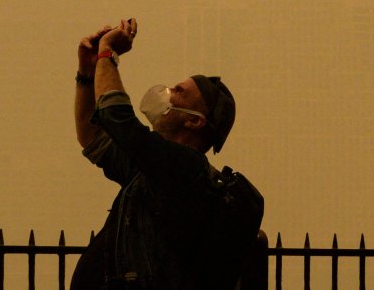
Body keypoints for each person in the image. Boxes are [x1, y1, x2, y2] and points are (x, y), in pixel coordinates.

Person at [70, 18, 263, 290]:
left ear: (195, 121)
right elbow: (93, 138)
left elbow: (116, 117)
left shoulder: (185, 169)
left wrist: (108, 55)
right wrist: (87, 73)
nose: (167, 93)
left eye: (178, 92)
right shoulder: (153, 170)